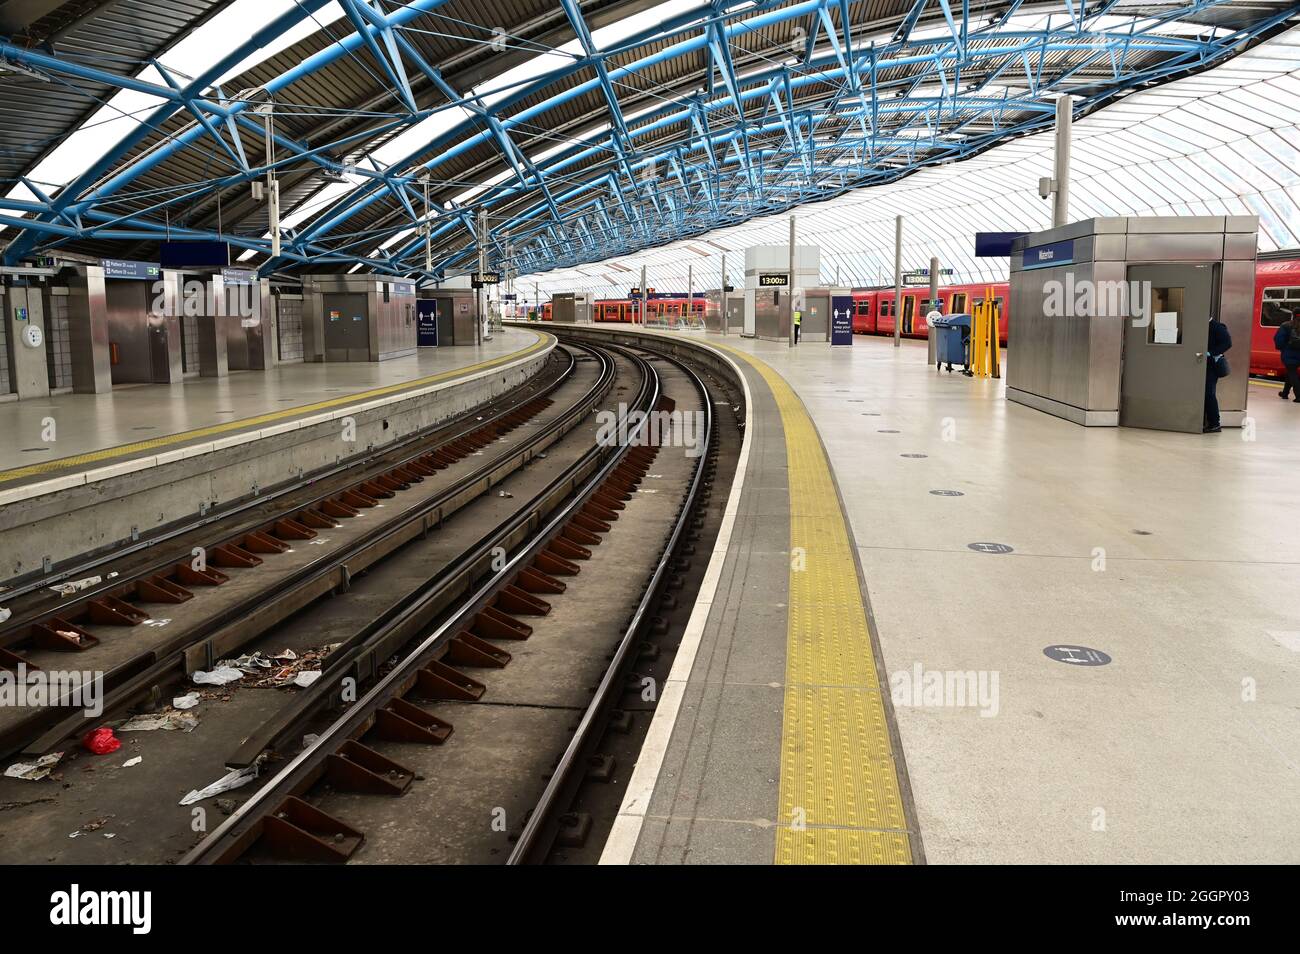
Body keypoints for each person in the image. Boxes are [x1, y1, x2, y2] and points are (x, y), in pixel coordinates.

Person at [1204, 314, 1232, 433]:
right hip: (1204, 364)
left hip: (1212, 366)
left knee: (1209, 393)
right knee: (1208, 393)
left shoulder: (1217, 327)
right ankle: (1212, 422)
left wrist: (1211, 353)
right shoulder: (1201, 326)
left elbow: (1227, 343)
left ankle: (1215, 423)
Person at [1273, 309, 1300, 402]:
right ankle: (1285, 393)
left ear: (1293, 315)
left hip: (1289, 354)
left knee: (1292, 373)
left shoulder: (1286, 325)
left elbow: (1279, 340)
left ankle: (1299, 396)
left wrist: (1283, 347)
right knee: (1289, 373)